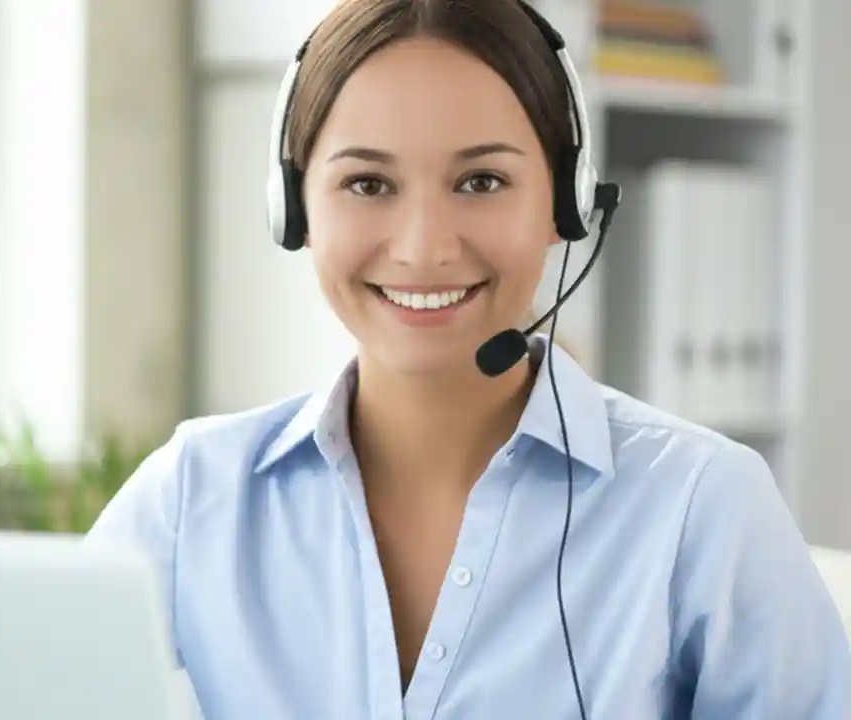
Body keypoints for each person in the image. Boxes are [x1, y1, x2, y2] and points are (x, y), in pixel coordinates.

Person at [85, 0, 850, 718]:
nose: (424, 247)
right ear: (294, 207)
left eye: (480, 181)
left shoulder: (701, 507)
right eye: (367, 183)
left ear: (566, 203)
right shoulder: (191, 500)